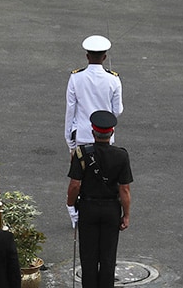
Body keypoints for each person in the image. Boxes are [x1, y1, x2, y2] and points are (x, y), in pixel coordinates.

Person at [66, 111, 133, 288]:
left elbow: (75, 185)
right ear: (111, 133)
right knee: (108, 258)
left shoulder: (82, 153)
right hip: (111, 209)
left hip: (88, 208)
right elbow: (124, 189)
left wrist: (70, 204)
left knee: (88, 258)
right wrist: (126, 215)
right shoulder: (121, 155)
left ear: (92, 131)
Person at [64, 35, 122, 152]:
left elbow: (70, 110)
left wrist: (70, 142)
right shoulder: (113, 79)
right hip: (105, 135)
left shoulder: (76, 78)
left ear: (87, 56)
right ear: (104, 57)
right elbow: (117, 110)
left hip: (82, 135)